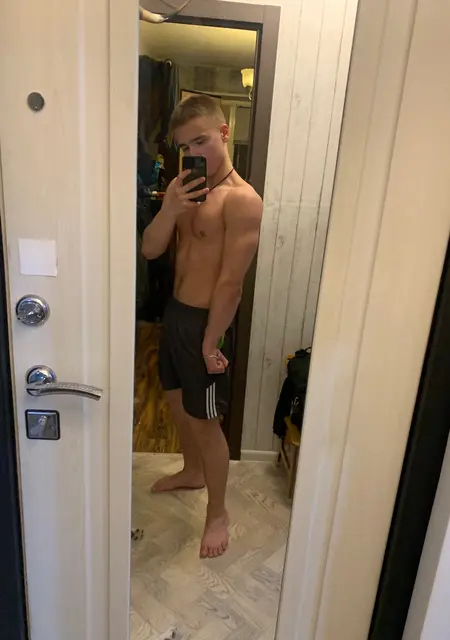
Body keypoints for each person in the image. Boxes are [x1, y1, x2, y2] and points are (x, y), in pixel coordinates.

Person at [142, 94, 263, 559]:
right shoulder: (185, 191)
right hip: (175, 314)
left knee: (207, 423)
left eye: (201, 141)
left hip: (206, 323)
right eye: (184, 146)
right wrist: (170, 209)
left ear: (224, 133)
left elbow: (231, 283)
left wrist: (212, 342)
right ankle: (192, 472)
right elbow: (151, 249)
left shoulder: (242, 201)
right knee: (177, 404)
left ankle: (217, 513)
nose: (193, 152)